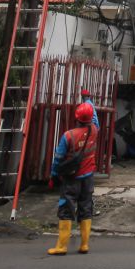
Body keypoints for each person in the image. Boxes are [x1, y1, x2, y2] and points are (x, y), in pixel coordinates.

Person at [48, 101, 99, 255]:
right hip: (88, 178)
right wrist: (89, 100)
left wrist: (53, 176)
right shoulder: (94, 130)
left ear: (76, 117)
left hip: (71, 179)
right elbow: (95, 118)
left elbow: (58, 159)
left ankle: (62, 246)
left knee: (66, 209)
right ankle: (84, 245)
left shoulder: (68, 135)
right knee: (86, 208)